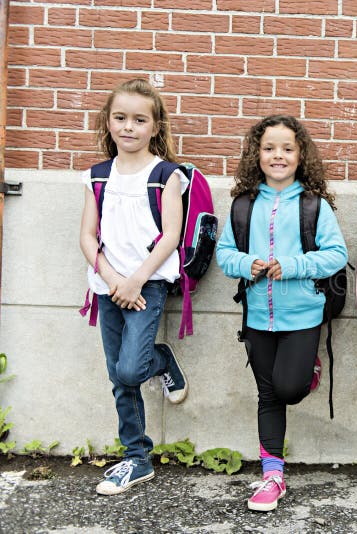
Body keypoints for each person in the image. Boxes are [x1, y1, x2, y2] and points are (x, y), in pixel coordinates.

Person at [216, 115, 348, 512]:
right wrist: (247, 264)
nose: (278, 155)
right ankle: (272, 476)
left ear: (300, 154)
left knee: (289, 389)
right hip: (258, 317)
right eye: (269, 148)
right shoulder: (244, 205)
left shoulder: (313, 205)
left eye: (287, 148)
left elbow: (336, 254)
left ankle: (308, 368)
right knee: (269, 394)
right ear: (256, 155)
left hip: (303, 315)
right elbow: (225, 254)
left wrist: (292, 265)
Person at [79, 78, 189, 495]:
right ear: (107, 122)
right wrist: (112, 279)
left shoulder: (166, 175)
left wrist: (136, 280)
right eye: (121, 117)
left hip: (147, 285)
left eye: (140, 120)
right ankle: (136, 457)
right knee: (119, 377)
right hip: (108, 287)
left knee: (130, 368)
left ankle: (160, 359)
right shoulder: (97, 176)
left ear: (155, 126)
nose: (129, 127)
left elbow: (171, 235)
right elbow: (87, 236)